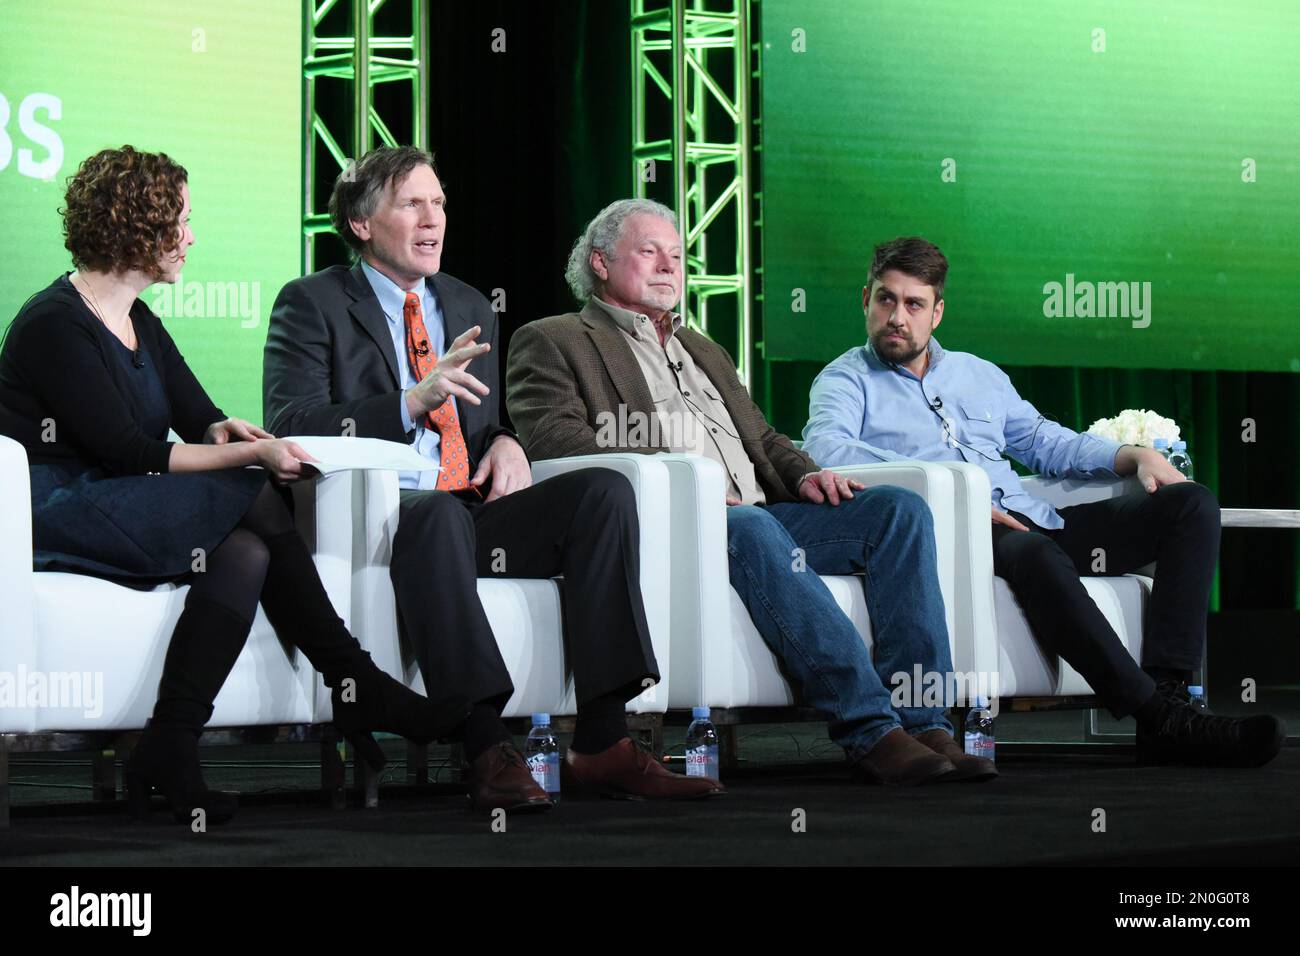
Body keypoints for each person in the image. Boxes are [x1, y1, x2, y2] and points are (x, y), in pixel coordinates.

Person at [0, 146, 467, 826]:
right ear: (140, 224)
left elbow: (197, 416)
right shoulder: (54, 322)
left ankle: (171, 743)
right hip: (59, 507)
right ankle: (359, 685)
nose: (191, 236)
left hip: (119, 497)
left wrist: (229, 430)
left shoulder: (139, 320)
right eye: (181, 220)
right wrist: (255, 455)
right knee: (252, 491)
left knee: (244, 551)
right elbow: (130, 452)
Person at [263, 147, 719, 809]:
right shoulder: (313, 303)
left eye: (440, 203)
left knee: (602, 491)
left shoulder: (467, 300)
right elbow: (292, 421)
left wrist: (506, 439)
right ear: (362, 224)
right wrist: (407, 403)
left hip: (469, 510)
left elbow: (483, 421)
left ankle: (602, 741)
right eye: (412, 203)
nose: (434, 218)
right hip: (382, 513)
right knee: (439, 513)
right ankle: (484, 744)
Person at [505, 199, 994, 786]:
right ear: (601, 263)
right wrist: (698, 486)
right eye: (649, 251)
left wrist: (807, 474)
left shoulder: (703, 347)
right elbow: (556, 440)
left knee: (899, 512)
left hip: (764, 512)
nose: (668, 266)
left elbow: (761, 435)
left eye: (677, 255)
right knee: (752, 526)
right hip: (678, 520)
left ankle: (924, 720)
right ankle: (872, 730)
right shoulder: (554, 339)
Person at [802, 235, 1285, 767]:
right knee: (1034, 553)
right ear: (864, 300)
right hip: (954, 531)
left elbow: (1043, 441)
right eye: (885, 299)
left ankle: (1168, 695)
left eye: (913, 304)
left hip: (1032, 518)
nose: (897, 317)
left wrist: (1132, 456)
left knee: (1190, 505)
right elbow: (831, 448)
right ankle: (1159, 718)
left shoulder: (977, 374)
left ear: (936, 312)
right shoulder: (845, 379)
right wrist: (951, 494)